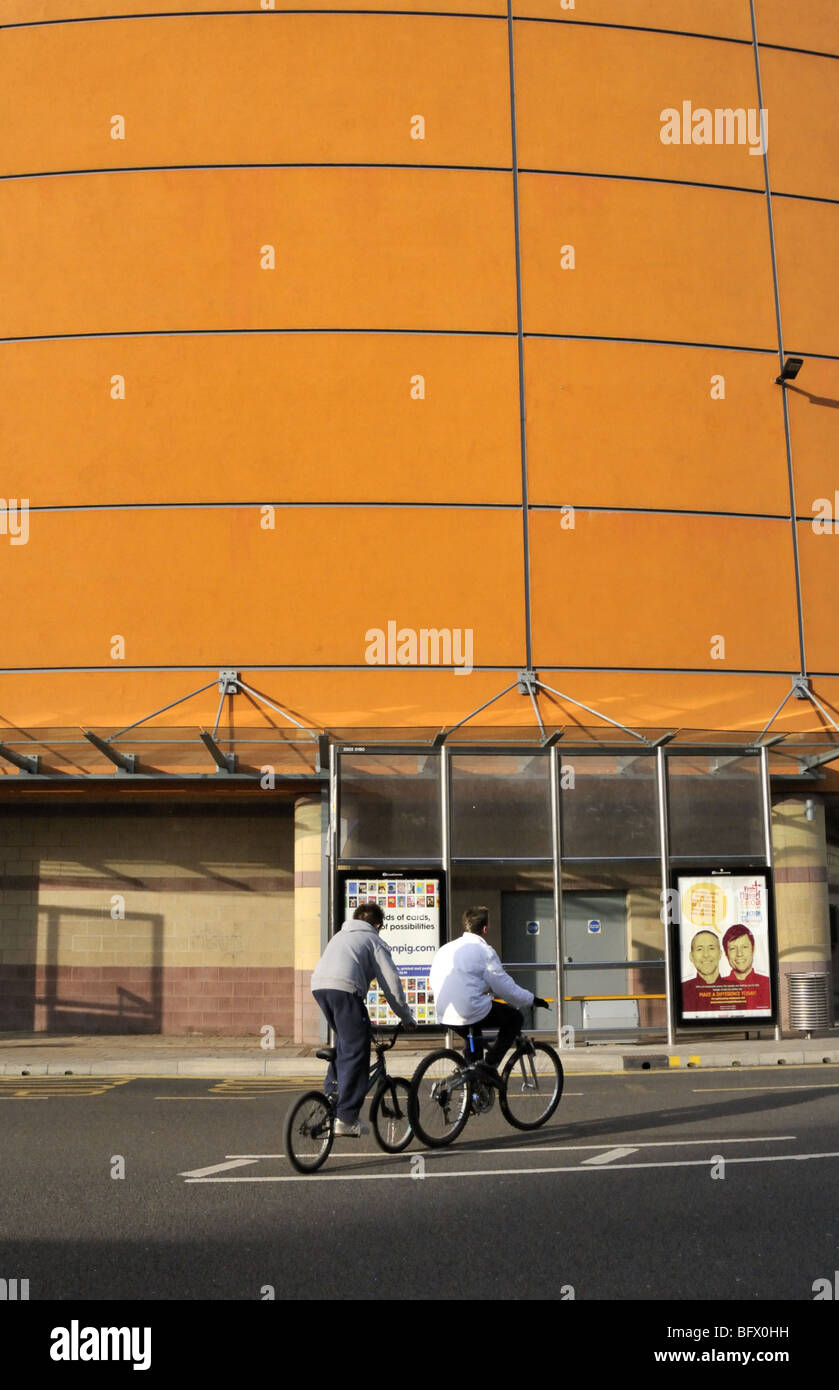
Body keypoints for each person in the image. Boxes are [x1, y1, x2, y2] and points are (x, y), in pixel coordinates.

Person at [311, 903, 416, 1137]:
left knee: (345, 1043)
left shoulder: (340, 936)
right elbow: (392, 985)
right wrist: (405, 1016)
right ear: (377, 925)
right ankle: (346, 1117)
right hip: (345, 990)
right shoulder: (374, 941)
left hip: (319, 987)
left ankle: (333, 1092)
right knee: (358, 1051)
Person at [429, 905, 548, 1074]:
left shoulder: (446, 948)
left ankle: (472, 1082)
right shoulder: (484, 951)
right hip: (469, 1010)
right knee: (514, 1018)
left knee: (473, 1039)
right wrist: (532, 999)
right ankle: (489, 1066)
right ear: (485, 928)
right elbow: (505, 988)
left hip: (443, 1011)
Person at [721, 924, 771, 1011]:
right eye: (733, 948)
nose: (739, 954)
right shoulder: (717, 987)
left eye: (744, 947)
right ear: (726, 954)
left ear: (753, 949)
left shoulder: (768, 985)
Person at [681, 929, 728, 1012]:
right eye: (699, 949)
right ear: (691, 956)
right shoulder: (682, 990)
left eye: (711, 948)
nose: (706, 955)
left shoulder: (734, 988)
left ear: (720, 954)